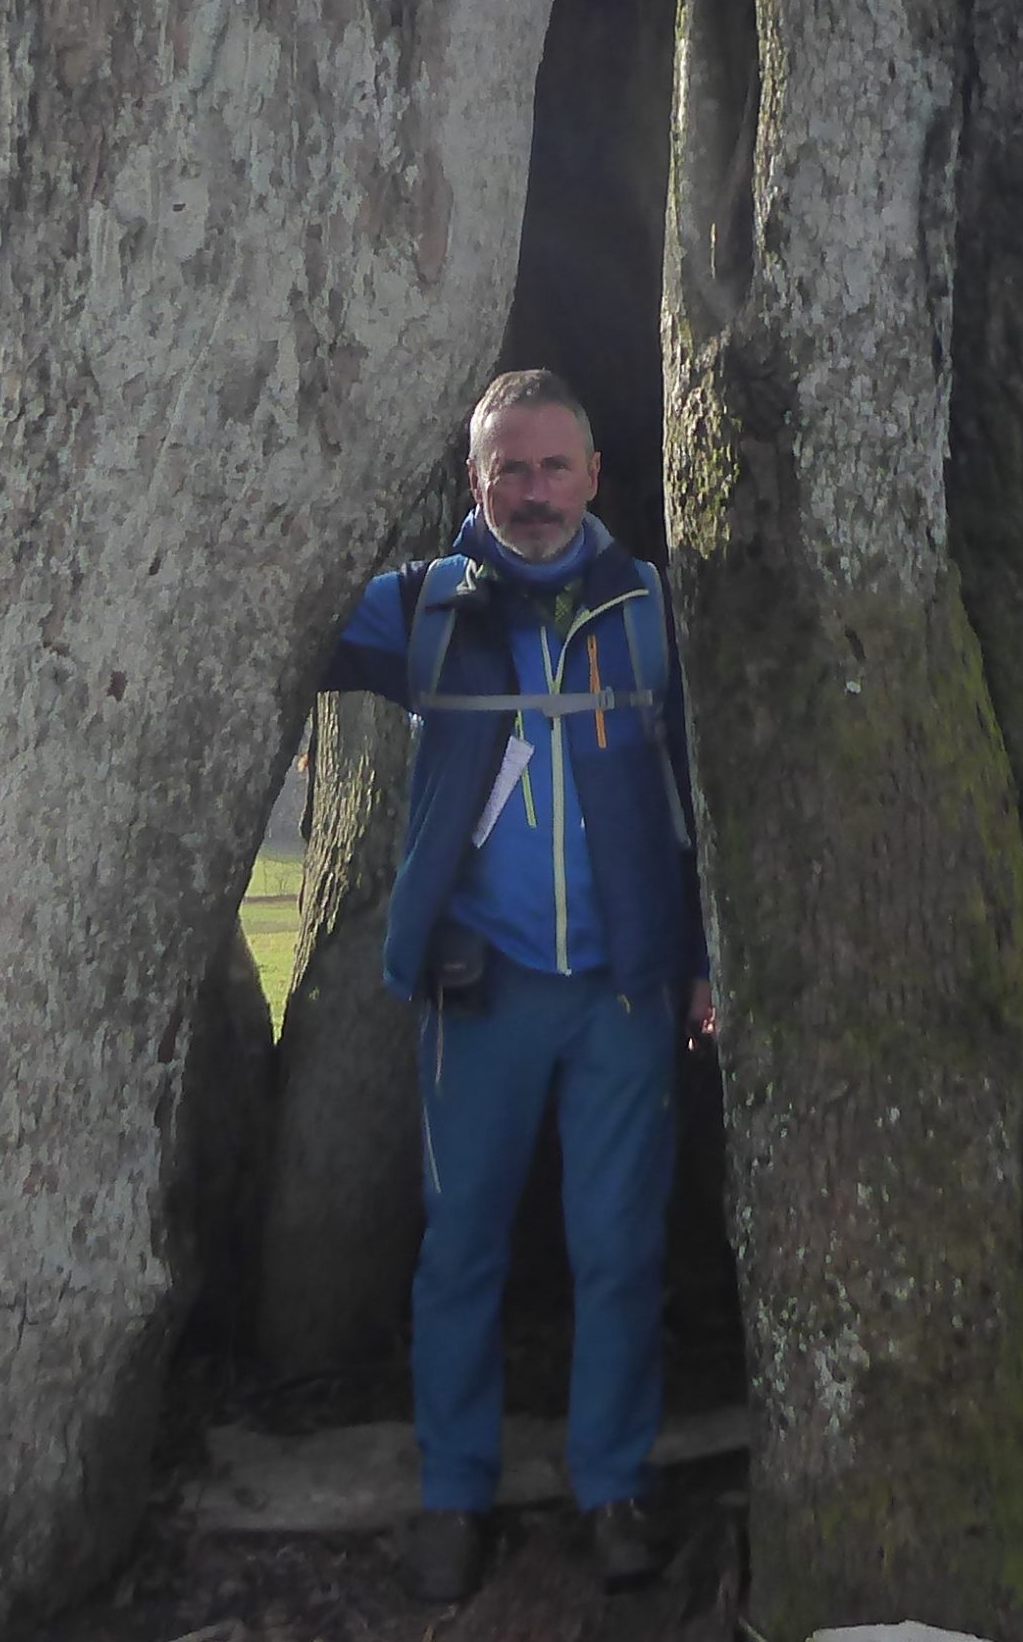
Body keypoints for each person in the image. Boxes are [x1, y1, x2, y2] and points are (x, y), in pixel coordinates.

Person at [324, 368, 710, 1602]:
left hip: (624, 990)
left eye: (554, 467)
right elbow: (269, 622)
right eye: (509, 469)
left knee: (617, 1249)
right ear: (473, 480)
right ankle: (454, 1492)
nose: (532, 492)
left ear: (595, 475)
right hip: (479, 991)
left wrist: (704, 959)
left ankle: (612, 1484)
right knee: (462, 1252)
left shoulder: (656, 609)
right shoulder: (421, 608)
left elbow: (714, 802)